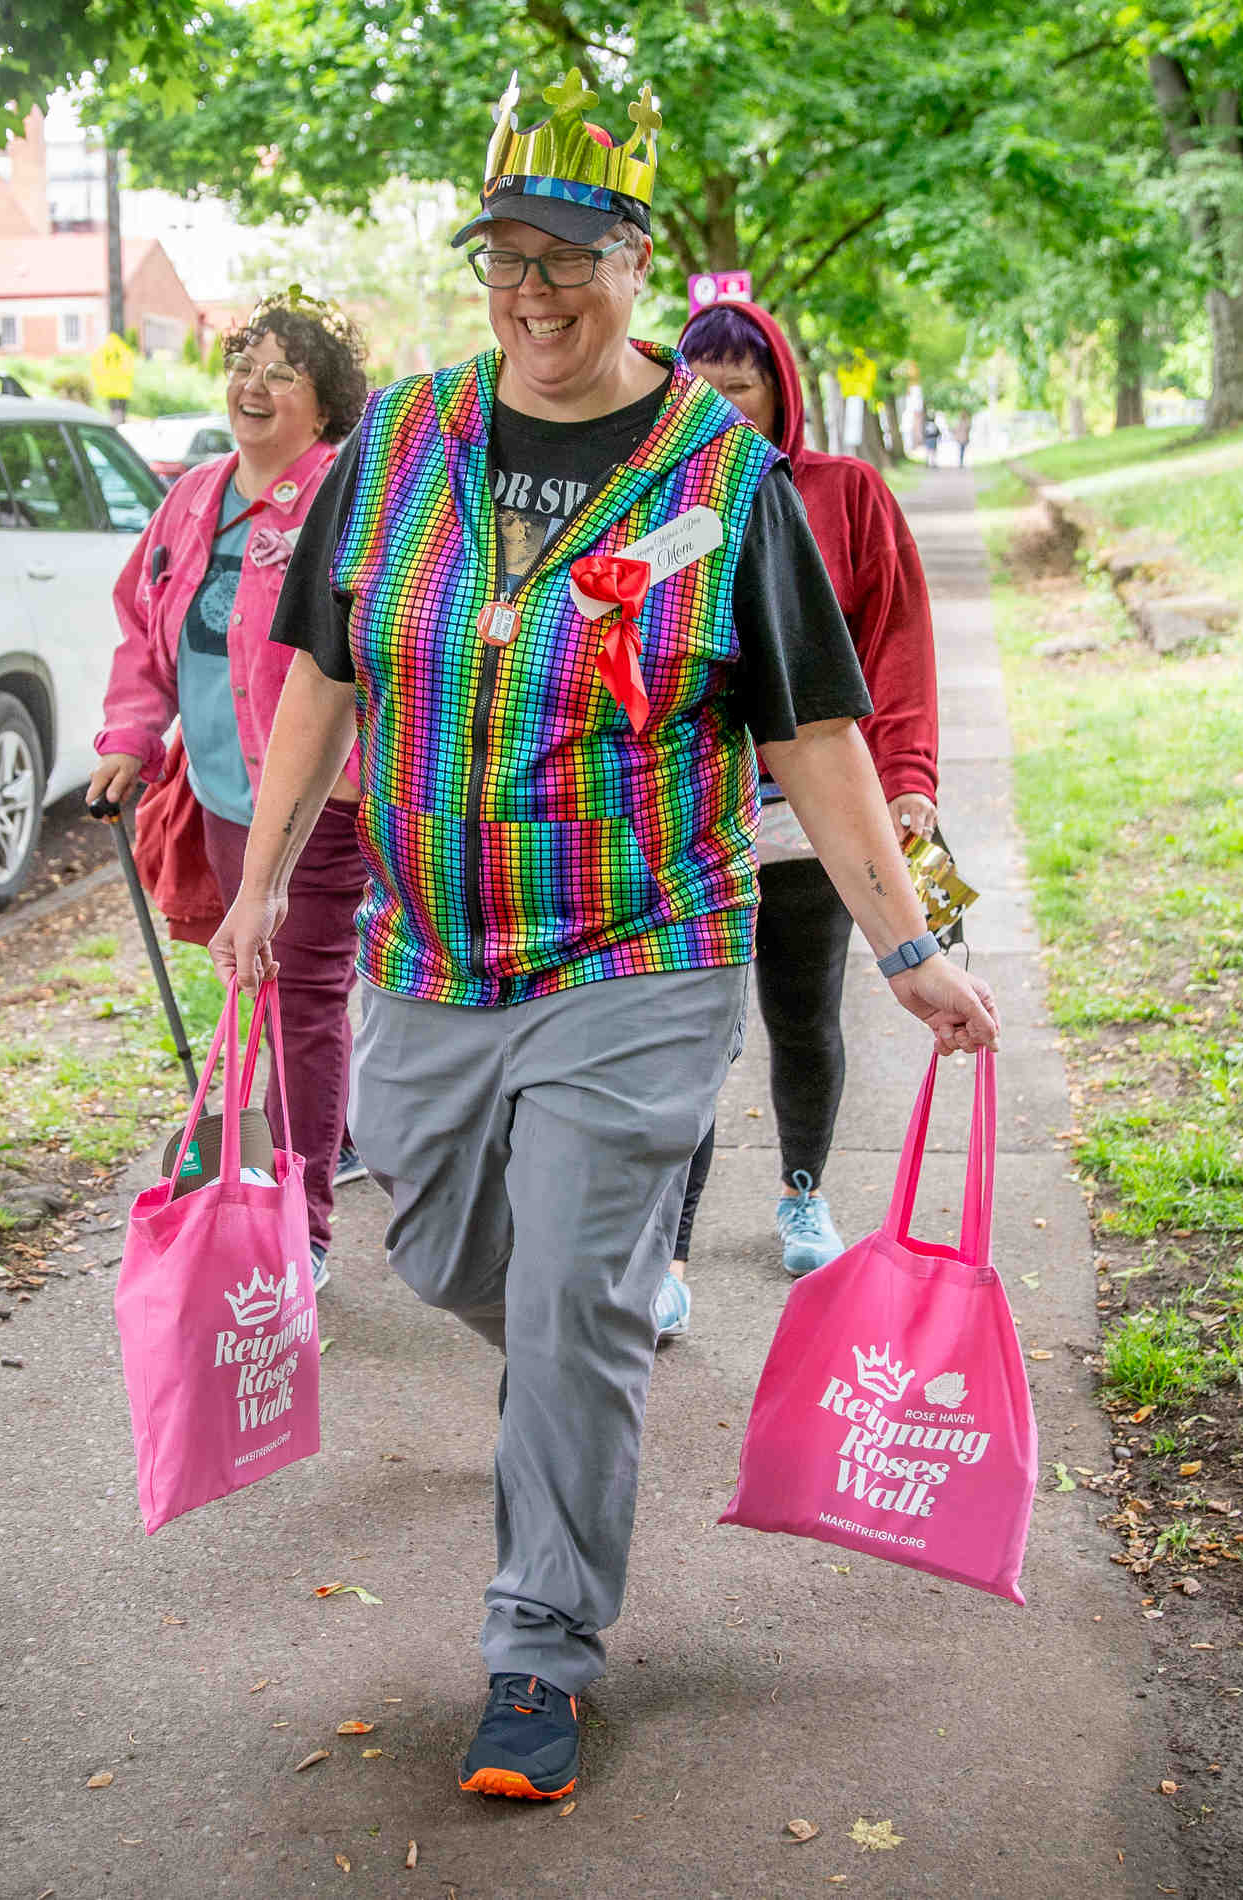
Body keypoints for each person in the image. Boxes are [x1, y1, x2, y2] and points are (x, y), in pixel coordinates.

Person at [211, 69, 999, 1804]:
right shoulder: (402, 443)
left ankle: (538, 1653)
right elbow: (324, 680)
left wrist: (910, 946)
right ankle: (593, 1343)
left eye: (568, 254)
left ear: (639, 262)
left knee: (566, 1301)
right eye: (506, 253)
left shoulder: (727, 478)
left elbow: (814, 739)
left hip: (643, 949)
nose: (532, 288)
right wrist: (262, 883)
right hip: (433, 954)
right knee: (433, 1250)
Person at [90, 289, 371, 1288]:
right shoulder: (195, 496)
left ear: (324, 404)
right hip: (220, 794)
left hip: (320, 801)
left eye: (282, 372)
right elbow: (146, 623)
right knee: (257, 984)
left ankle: (307, 1223)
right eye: (245, 363)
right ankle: (290, 1155)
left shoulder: (345, 496)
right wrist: (131, 735)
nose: (253, 385)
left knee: (297, 998)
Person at [664, 296, 936, 1308]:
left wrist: (907, 782)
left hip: (807, 815)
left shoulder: (847, 494)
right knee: (688, 1031)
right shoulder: (657, 504)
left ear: (779, 392)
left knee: (804, 1017)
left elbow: (898, 646)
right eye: (699, 389)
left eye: (739, 387)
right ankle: (670, 1252)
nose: (721, 408)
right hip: (688, 819)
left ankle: (803, 1194)